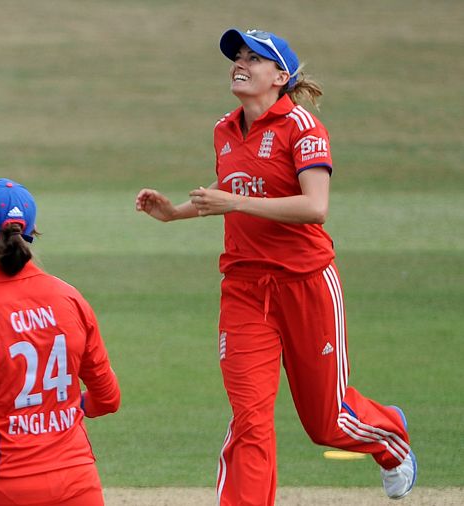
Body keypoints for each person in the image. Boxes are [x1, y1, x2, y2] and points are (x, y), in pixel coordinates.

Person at [135, 29, 416, 505]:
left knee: (327, 422)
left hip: (306, 283)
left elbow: (315, 207)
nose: (239, 64)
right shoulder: (224, 129)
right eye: (236, 57)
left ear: (280, 76)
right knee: (249, 419)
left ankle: (389, 437)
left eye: (254, 58)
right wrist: (174, 213)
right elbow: (236, 188)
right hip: (244, 289)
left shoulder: (304, 127)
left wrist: (235, 201)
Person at [0, 178, 121, 505]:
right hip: (78, 484)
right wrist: (54, 411)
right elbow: (107, 399)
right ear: (32, 231)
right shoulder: (69, 298)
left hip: (0, 486)